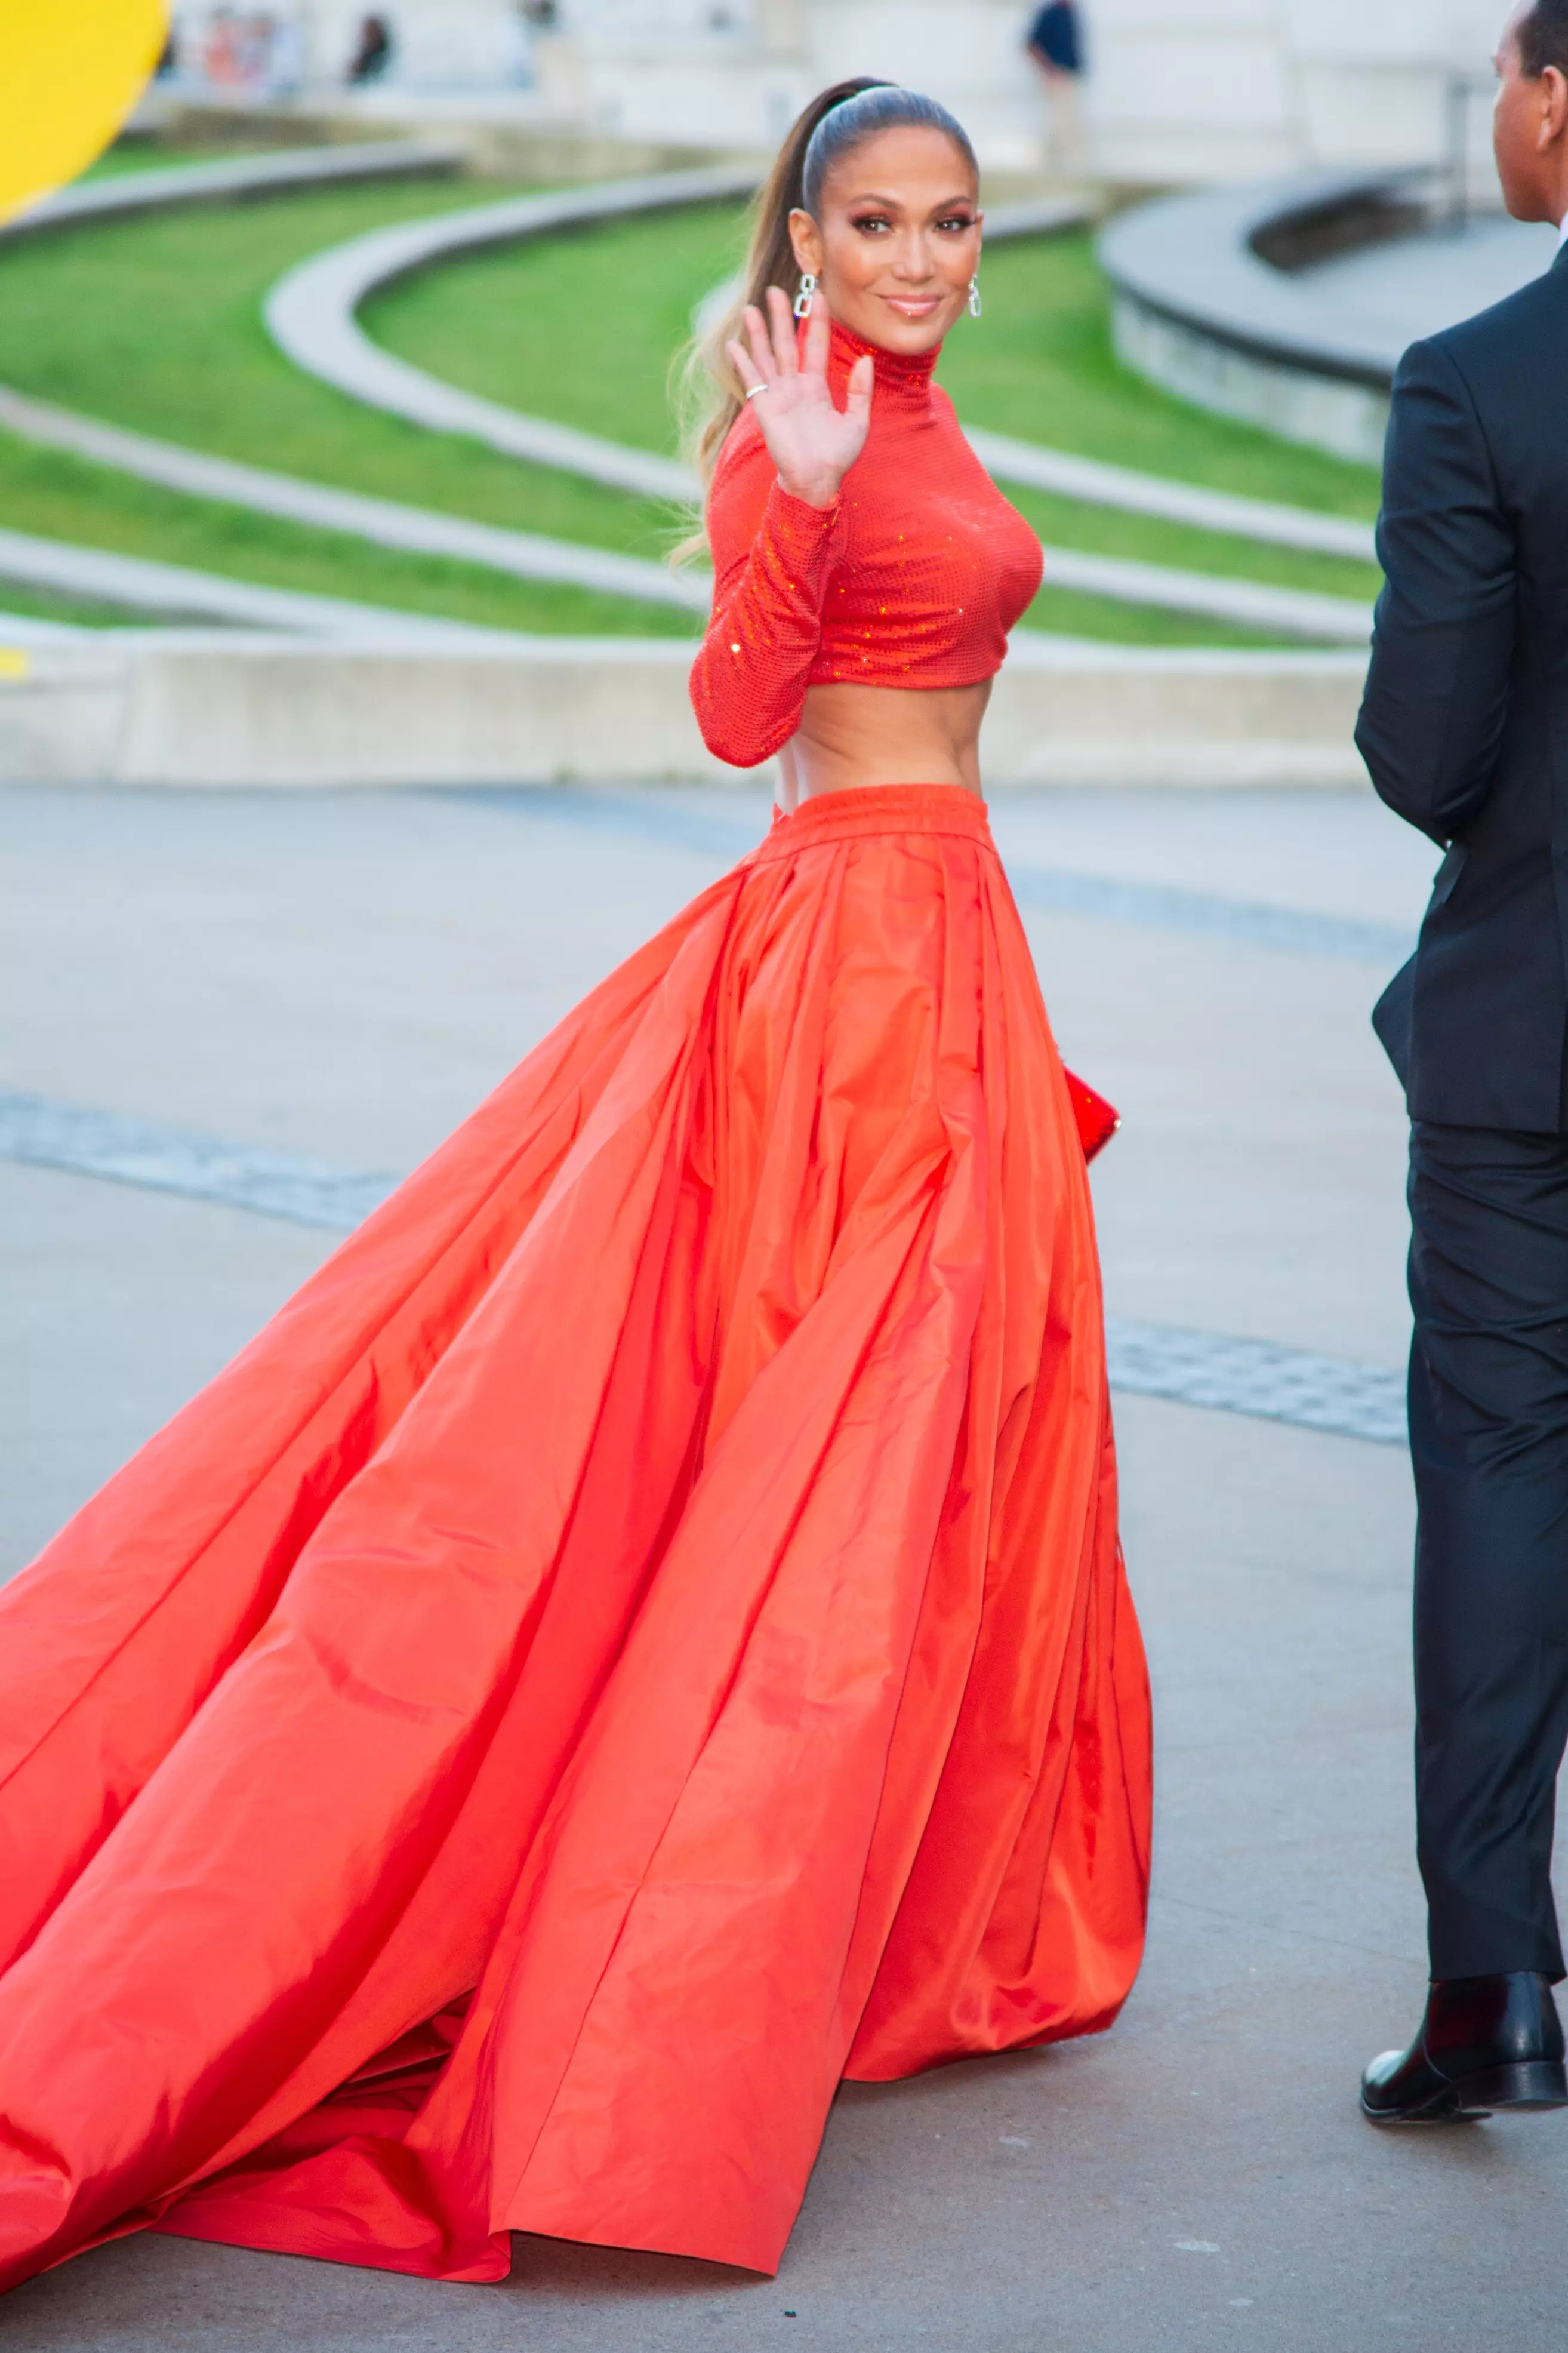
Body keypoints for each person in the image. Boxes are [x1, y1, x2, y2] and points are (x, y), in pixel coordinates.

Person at [0, 81, 1151, 2296]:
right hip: (838, 976)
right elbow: (736, 719)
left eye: (949, 222)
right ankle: (653, 1934)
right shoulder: (786, 430)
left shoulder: (914, 409)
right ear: (798, 244)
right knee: (797, 1475)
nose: (917, 260)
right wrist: (795, 509)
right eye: (875, 225)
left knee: (929, 1467)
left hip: (955, 948)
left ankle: (872, 1918)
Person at [1357, 0, 1568, 2124]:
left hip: (1527, 1032)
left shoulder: (1472, 380)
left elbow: (1418, 754)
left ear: (1549, 99)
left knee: (1500, 1470)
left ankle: (1488, 1990)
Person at [1025, 0, 1088, 174]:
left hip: (1071, 76)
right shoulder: (1050, 13)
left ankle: (1058, 164)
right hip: (1058, 76)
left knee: (1065, 122)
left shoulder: (1072, 13)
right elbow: (1031, 45)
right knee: (1063, 122)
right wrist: (1049, 70)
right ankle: (1069, 165)